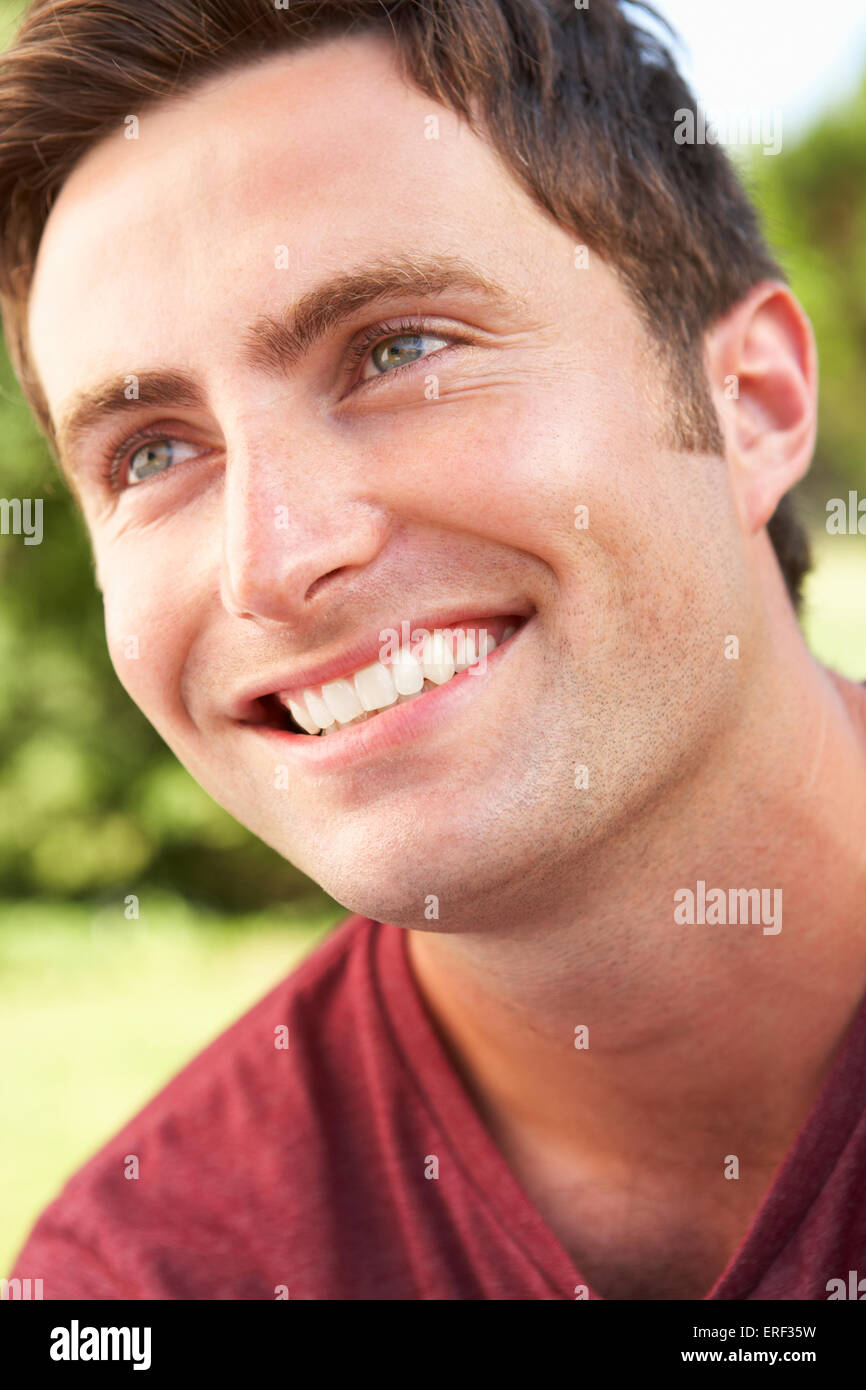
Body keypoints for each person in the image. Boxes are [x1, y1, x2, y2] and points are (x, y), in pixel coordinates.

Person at [2, 0, 865, 1301]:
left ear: (745, 405)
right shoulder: (142, 1283)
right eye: (154, 452)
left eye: (398, 350)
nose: (273, 560)